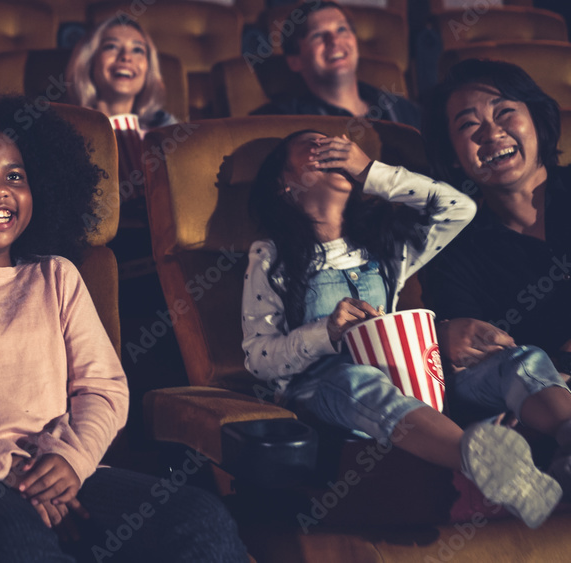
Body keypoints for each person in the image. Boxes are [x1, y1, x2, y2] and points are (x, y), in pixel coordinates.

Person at [0, 87, 247, 562]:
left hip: (69, 470)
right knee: (18, 546)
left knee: (197, 515)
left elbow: (103, 388)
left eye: (15, 175)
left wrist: (70, 463)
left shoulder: (56, 275)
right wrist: (14, 469)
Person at [241, 129, 566, 528]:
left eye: (339, 145)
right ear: (284, 184)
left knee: (523, 358)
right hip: (323, 390)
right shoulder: (270, 255)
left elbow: (457, 208)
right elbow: (257, 357)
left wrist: (370, 170)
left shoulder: (384, 246)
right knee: (358, 379)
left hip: (410, 375)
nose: (334, 149)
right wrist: (324, 333)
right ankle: (483, 462)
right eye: (315, 147)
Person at [422, 58, 571, 488]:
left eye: (505, 112)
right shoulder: (455, 248)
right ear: (453, 155)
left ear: (537, 120)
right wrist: (447, 333)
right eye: (469, 126)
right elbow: (481, 360)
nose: (491, 133)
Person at [67, 14, 176, 231]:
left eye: (138, 50)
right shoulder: (66, 130)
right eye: (111, 47)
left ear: (148, 69)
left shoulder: (168, 128)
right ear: (89, 62)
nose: (126, 57)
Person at [251, 1, 421, 130]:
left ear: (355, 41)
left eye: (341, 30)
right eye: (317, 35)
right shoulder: (280, 121)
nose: (334, 41)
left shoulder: (401, 108)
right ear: (295, 61)